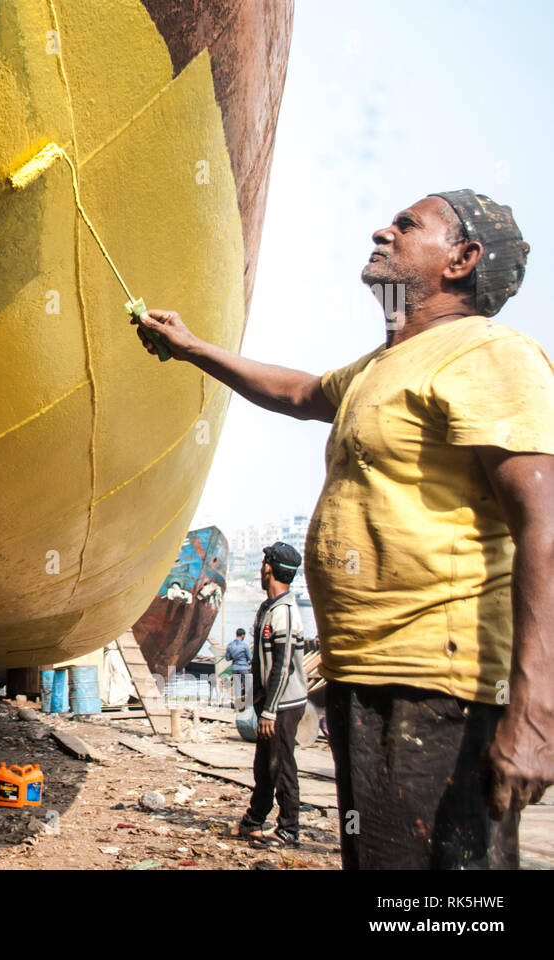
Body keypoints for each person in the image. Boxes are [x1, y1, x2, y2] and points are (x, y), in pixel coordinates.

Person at [133, 190, 553, 869]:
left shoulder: (487, 353)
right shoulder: (385, 365)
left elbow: (545, 528)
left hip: (436, 682)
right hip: (371, 676)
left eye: (409, 224)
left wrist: (536, 715)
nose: (382, 230)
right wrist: (191, 349)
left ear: (462, 260)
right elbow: (300, 394)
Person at [233, 543, 309, 848]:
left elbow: (282, 666)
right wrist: (255, 703)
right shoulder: (269, 609)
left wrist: (269, 712)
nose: (261, 568)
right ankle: (254, 820)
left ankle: (289, 829)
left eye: (264, 562)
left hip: (284, 704)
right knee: (263, 765)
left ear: (268, 568)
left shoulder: (286, 613)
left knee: (281, 765)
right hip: (269, 702)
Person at [225, 627, 253, 708]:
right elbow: (250, 658)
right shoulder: (245, 645)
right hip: (244, 668)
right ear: (243, 635)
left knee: (237, 686)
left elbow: (227, 658)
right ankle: (247, 705)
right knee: (248, 686)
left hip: (235, 668)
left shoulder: (230, 645)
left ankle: (238, 705)